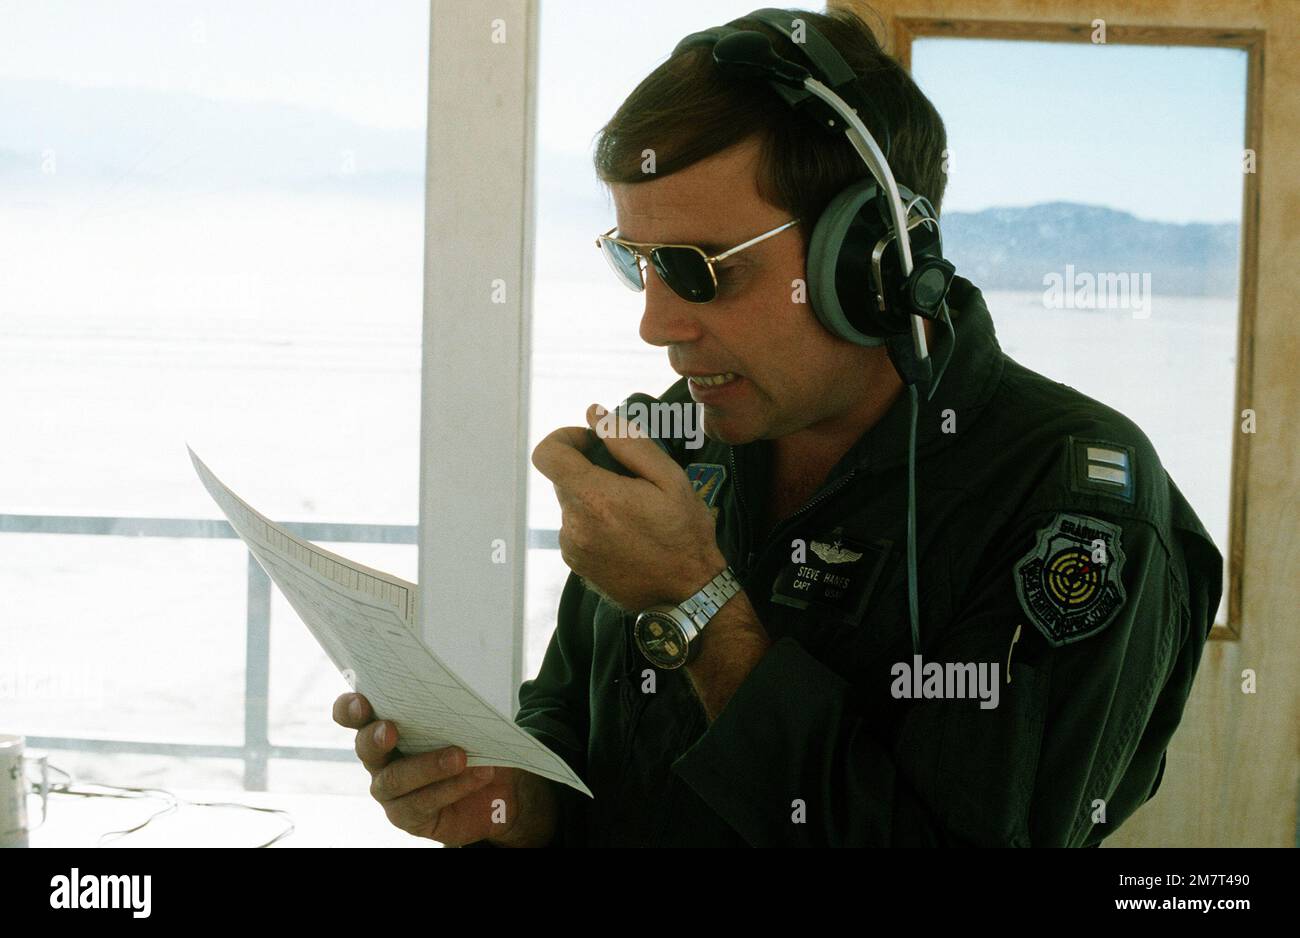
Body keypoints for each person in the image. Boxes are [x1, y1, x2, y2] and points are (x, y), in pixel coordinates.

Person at [333, 7, 1221, 847]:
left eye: (696, 269)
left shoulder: (1072, 503)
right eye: (634, 262)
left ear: (868, 259)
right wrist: (517, 801)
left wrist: (700, 604)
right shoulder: (670, 443)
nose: (656, 323)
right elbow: (573, 721)